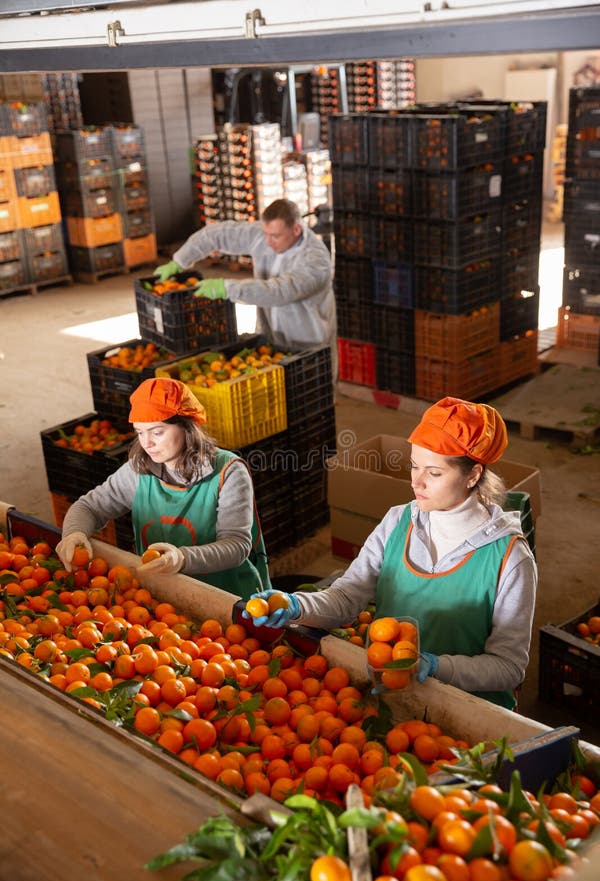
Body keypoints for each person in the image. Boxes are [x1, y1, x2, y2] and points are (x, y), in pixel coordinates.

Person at [243, 396, 538, 709]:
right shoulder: (399, 522)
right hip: (392, 697)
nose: (416, 481)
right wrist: (295, 605)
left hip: (468, 713)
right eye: (414, 466)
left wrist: (438, 667)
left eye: (434, 473)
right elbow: (346, 598)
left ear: (473, 475)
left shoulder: (510, 558)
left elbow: (508, 667)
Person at [56, 377, 270, 597]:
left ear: (188, 427)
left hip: (228, 596)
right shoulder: (139, 471)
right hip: (163, 596)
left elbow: (236, 545)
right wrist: (74, 533)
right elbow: (89, 507)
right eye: (140, 432)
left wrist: (182, 558)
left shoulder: (228, 472)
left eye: (157, 432)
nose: (146, 443)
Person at [153, 198, 337, 375]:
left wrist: (228, 288)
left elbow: (281, 292)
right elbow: (215, 234)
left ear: (297, 229)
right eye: (265, 233)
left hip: (308, 345)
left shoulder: (316, 260)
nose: (267, 241)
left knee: (310, 395)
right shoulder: (264, 235)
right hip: (270, 340)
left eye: (275, 236)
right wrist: (179, 261)